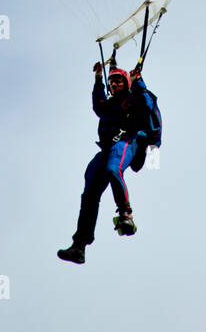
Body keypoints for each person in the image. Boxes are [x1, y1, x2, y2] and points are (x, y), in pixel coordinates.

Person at [58, 60, 158, 264]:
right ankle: (79, 246)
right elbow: (98, 104)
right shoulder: (109, 104)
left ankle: (125, 214)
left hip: (126, 142)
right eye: (111, 82)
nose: (114, 85)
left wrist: (138, 81)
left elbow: (147, 104)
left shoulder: (133, 99)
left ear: (126, 83)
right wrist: (98, 79)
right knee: (89, 193)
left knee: (114, 170)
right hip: (106, 148)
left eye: (118, 81)